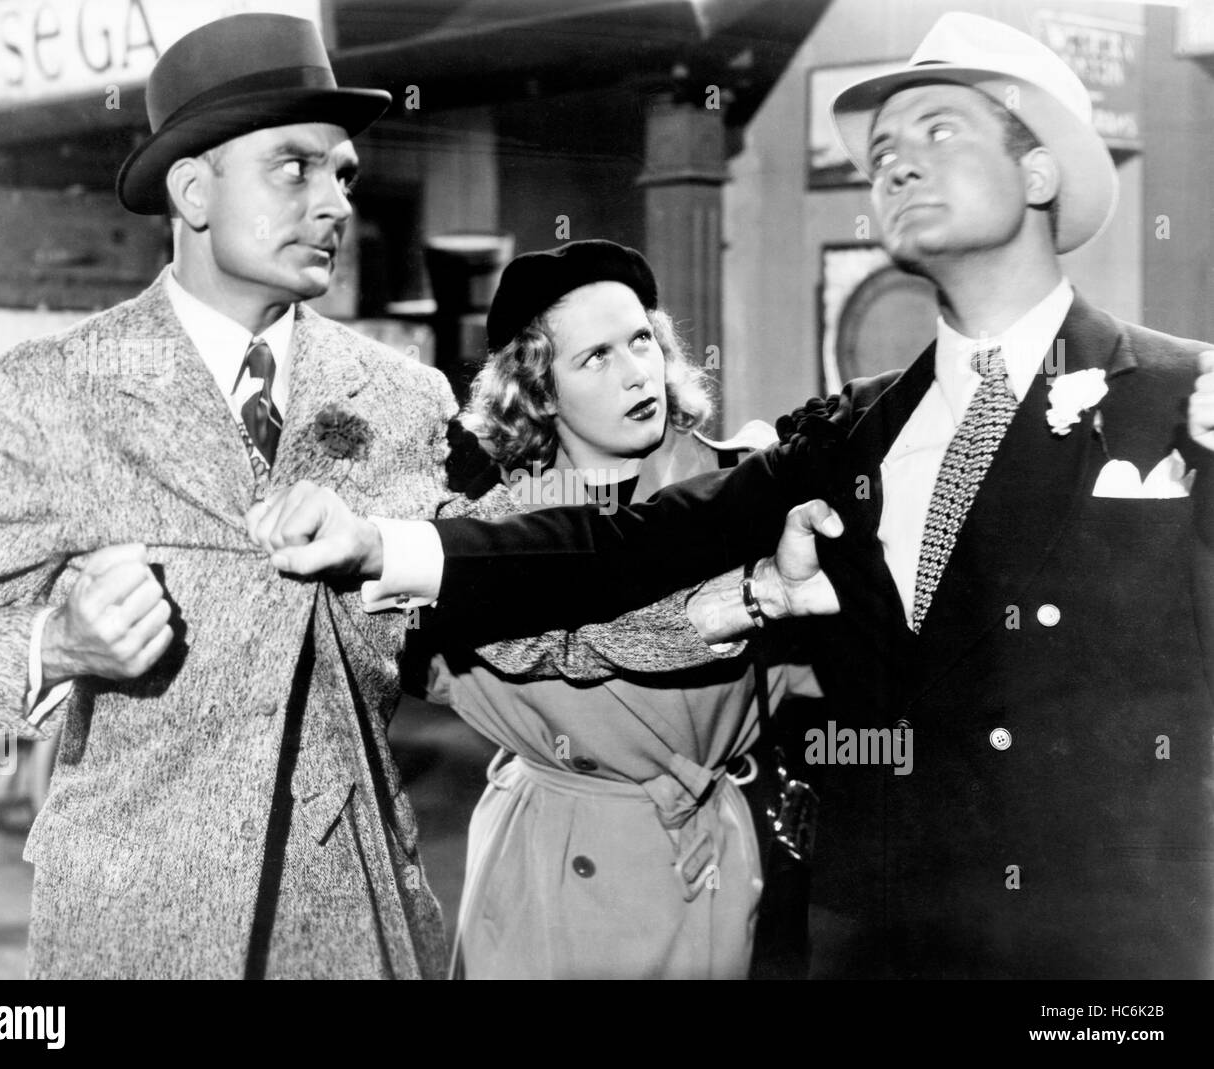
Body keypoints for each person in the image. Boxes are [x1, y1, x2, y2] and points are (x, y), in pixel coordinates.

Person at [251, 14, 1214, 979]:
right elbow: (620, 550)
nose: (898, 164)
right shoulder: (848, 431)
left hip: (1104, 953)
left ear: (1041, 174)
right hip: (872, 938)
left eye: (941, 131)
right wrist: (385, 548)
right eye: (882, 151)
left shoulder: (1182, 401)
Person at [0, 13, 731, 980]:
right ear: (193, 190)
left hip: (356, 915)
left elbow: (515, 606)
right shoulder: (53, 391)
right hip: (131, 923)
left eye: (343, 173)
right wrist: (59, 643)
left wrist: (728, 604)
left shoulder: (401, 398)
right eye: (294, 168)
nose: (336, 201)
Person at [417, 239, 814, 978]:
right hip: (552, 852)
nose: (638, 373)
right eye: (595, 357)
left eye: (641, 340)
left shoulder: (747, 491)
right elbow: (441, 665)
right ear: (538, 391)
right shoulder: (490, 537)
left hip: (708, 853)